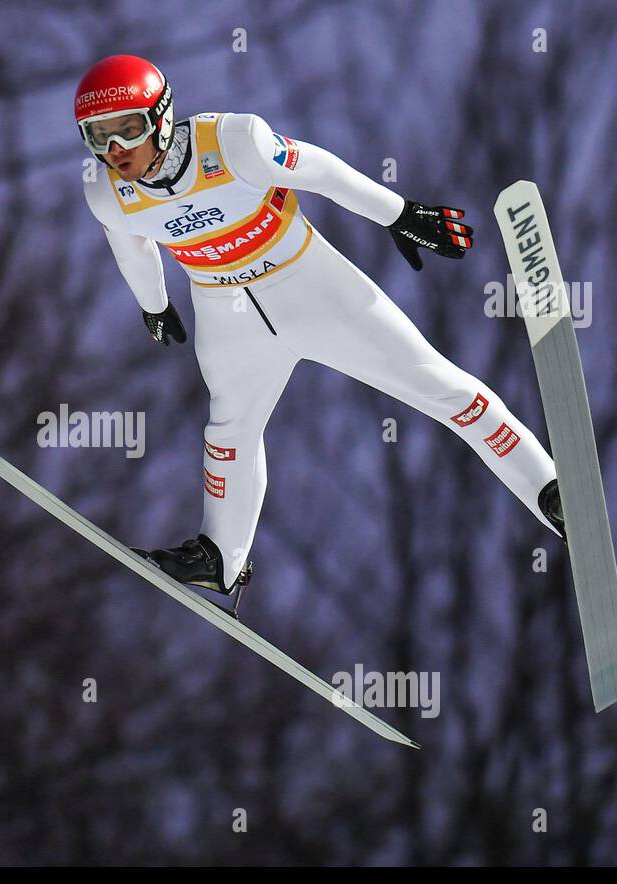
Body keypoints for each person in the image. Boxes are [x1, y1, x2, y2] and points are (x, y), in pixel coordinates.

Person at [77, 54, 564, 604]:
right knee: (229, 432)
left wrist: (399, 213)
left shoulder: (233, 141)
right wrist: (155, 305)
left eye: (128, 130)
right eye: (99, 137)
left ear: (161, 118)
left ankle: (549, 488)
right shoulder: (105, 191)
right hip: (225, 312)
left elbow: (321, 171)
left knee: (437, 386)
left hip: (313, 289)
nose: (116, 151)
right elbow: (130, 245)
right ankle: (221, 558)